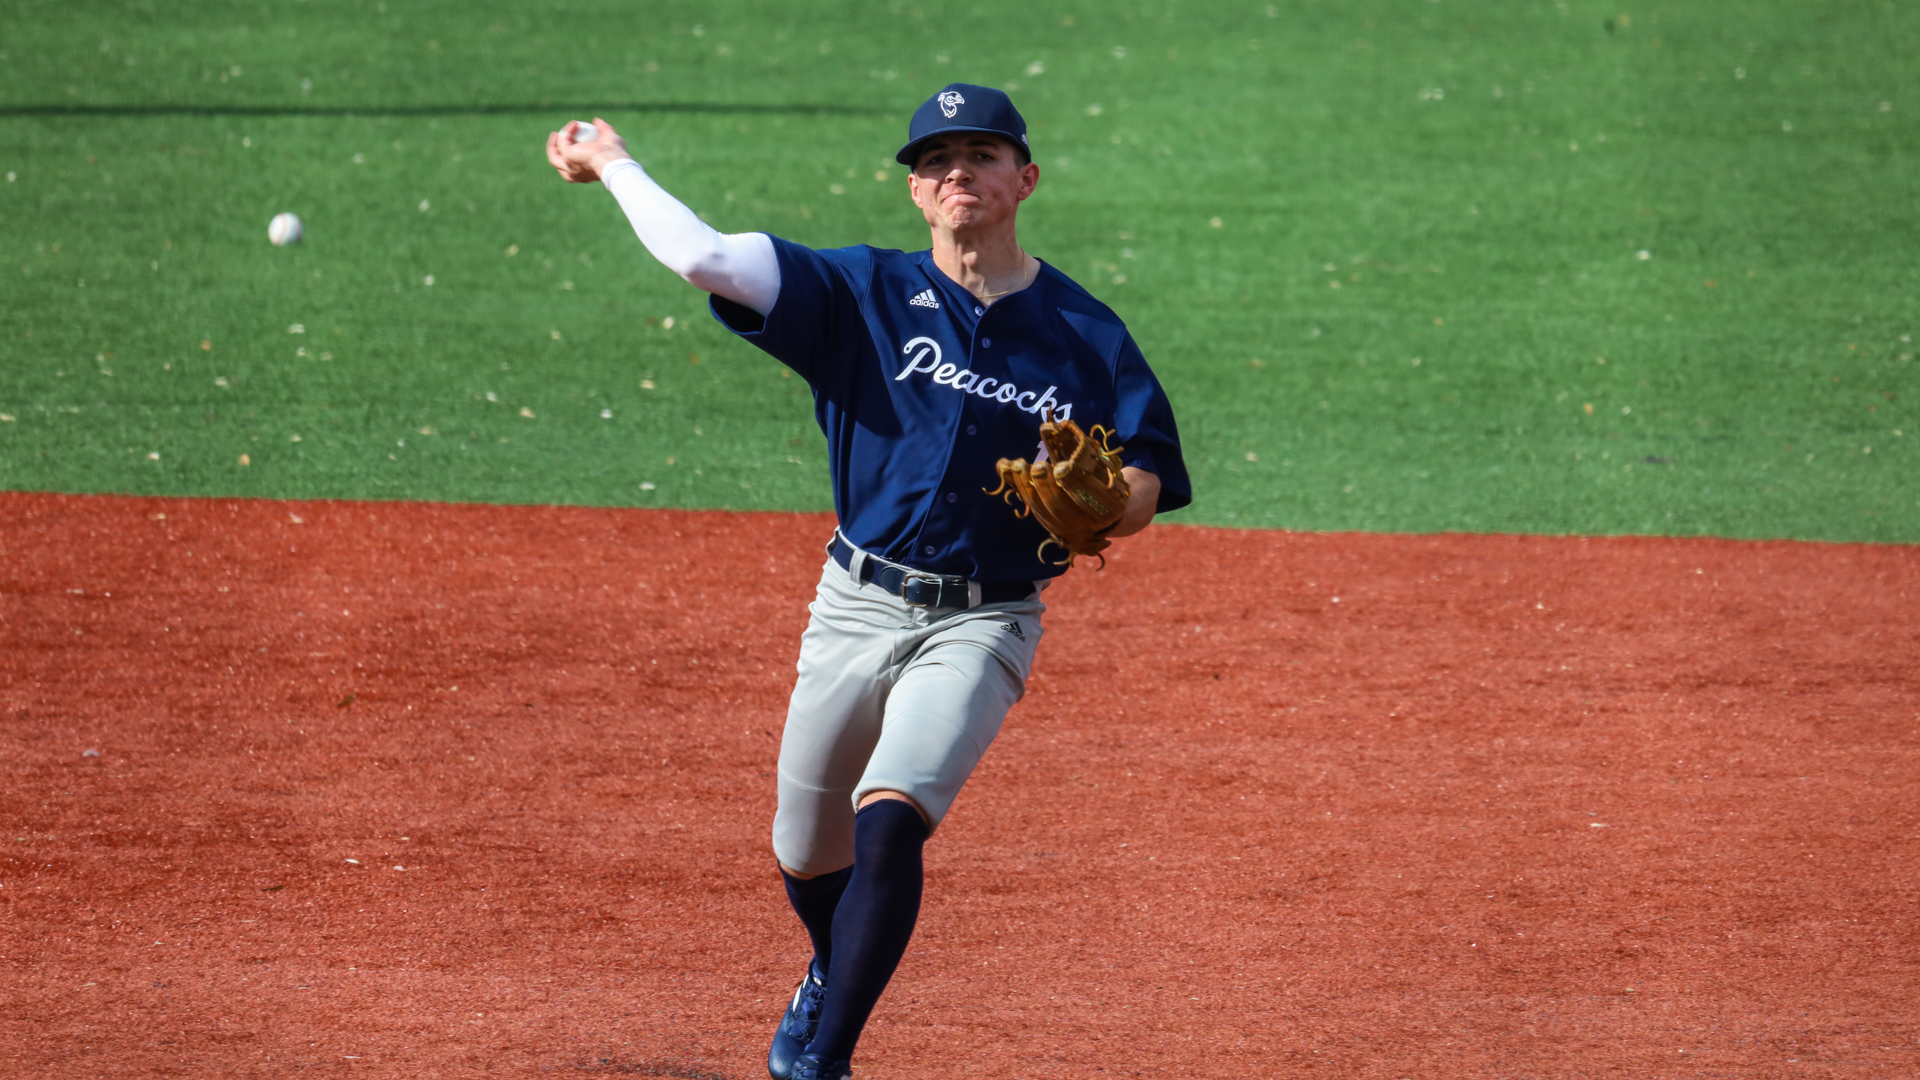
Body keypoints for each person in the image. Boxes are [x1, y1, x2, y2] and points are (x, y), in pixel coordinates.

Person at [546, 83, 1190, 1080]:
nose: (957, 172)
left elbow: (1146, 474)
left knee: (887, 827)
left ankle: (826, 1063)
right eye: (936, 161)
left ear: (1025, 179)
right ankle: (826, 968)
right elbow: (702, 258)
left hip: (986, 622)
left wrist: (1114, 504)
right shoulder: (858, 294)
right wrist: (613, 162)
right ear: (916, 193)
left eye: (981, 154)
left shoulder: (1086, 333)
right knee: (808, 851)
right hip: (852, 604)